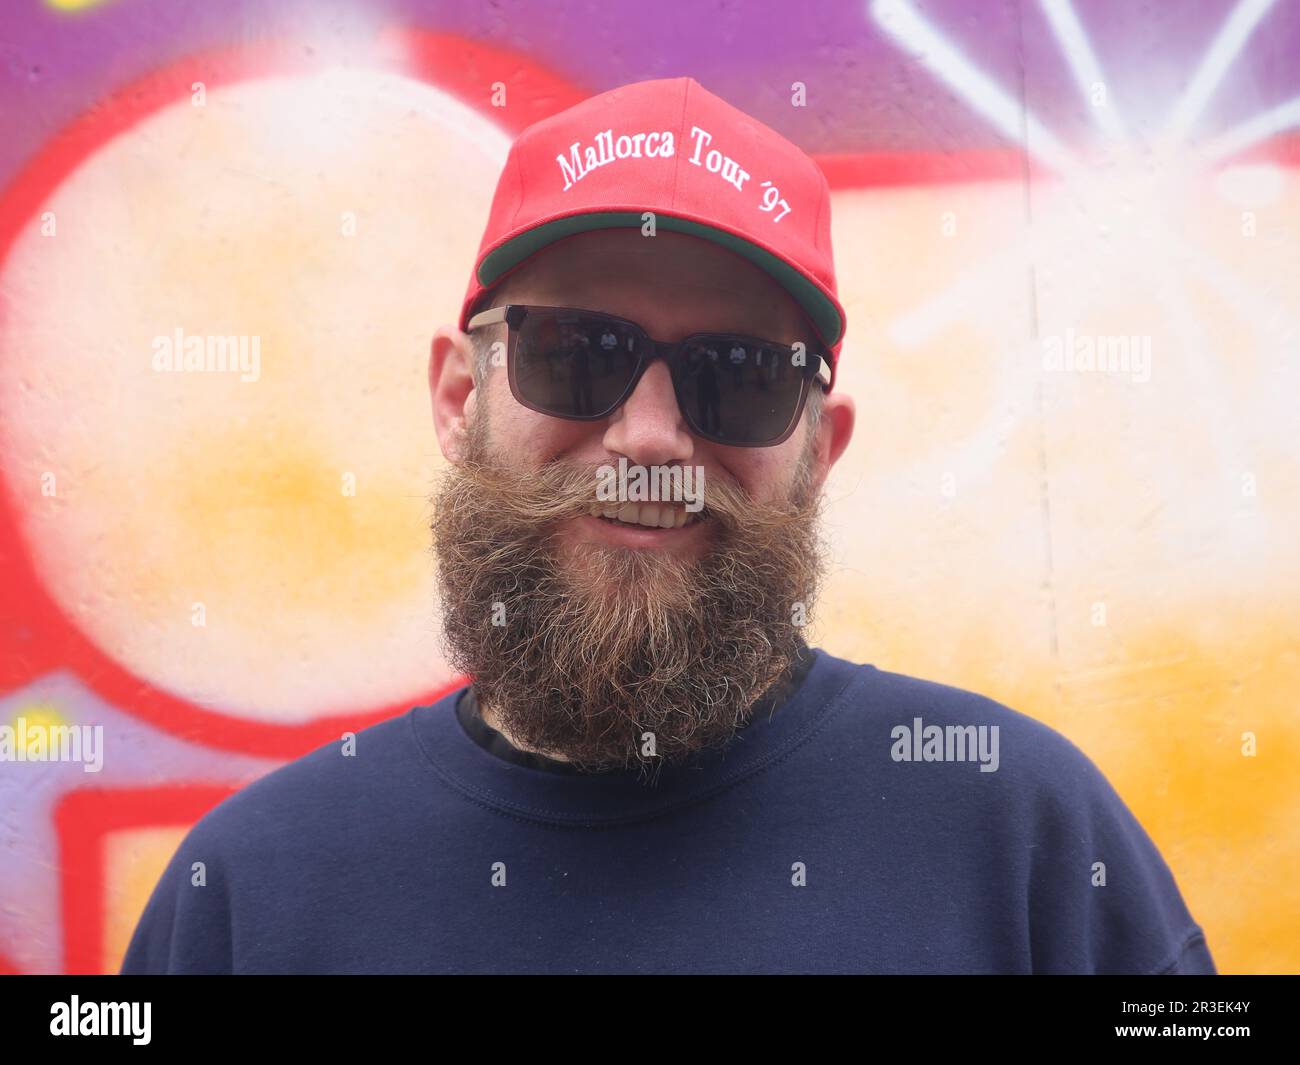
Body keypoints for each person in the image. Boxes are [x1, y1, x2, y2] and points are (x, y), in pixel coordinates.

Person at [120, 76, 1214, 975]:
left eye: (733, 376)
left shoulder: (1023, 837)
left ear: (818, 451)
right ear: (461, 400)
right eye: (575, 354)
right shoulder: (251, 895)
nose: (649, 439)